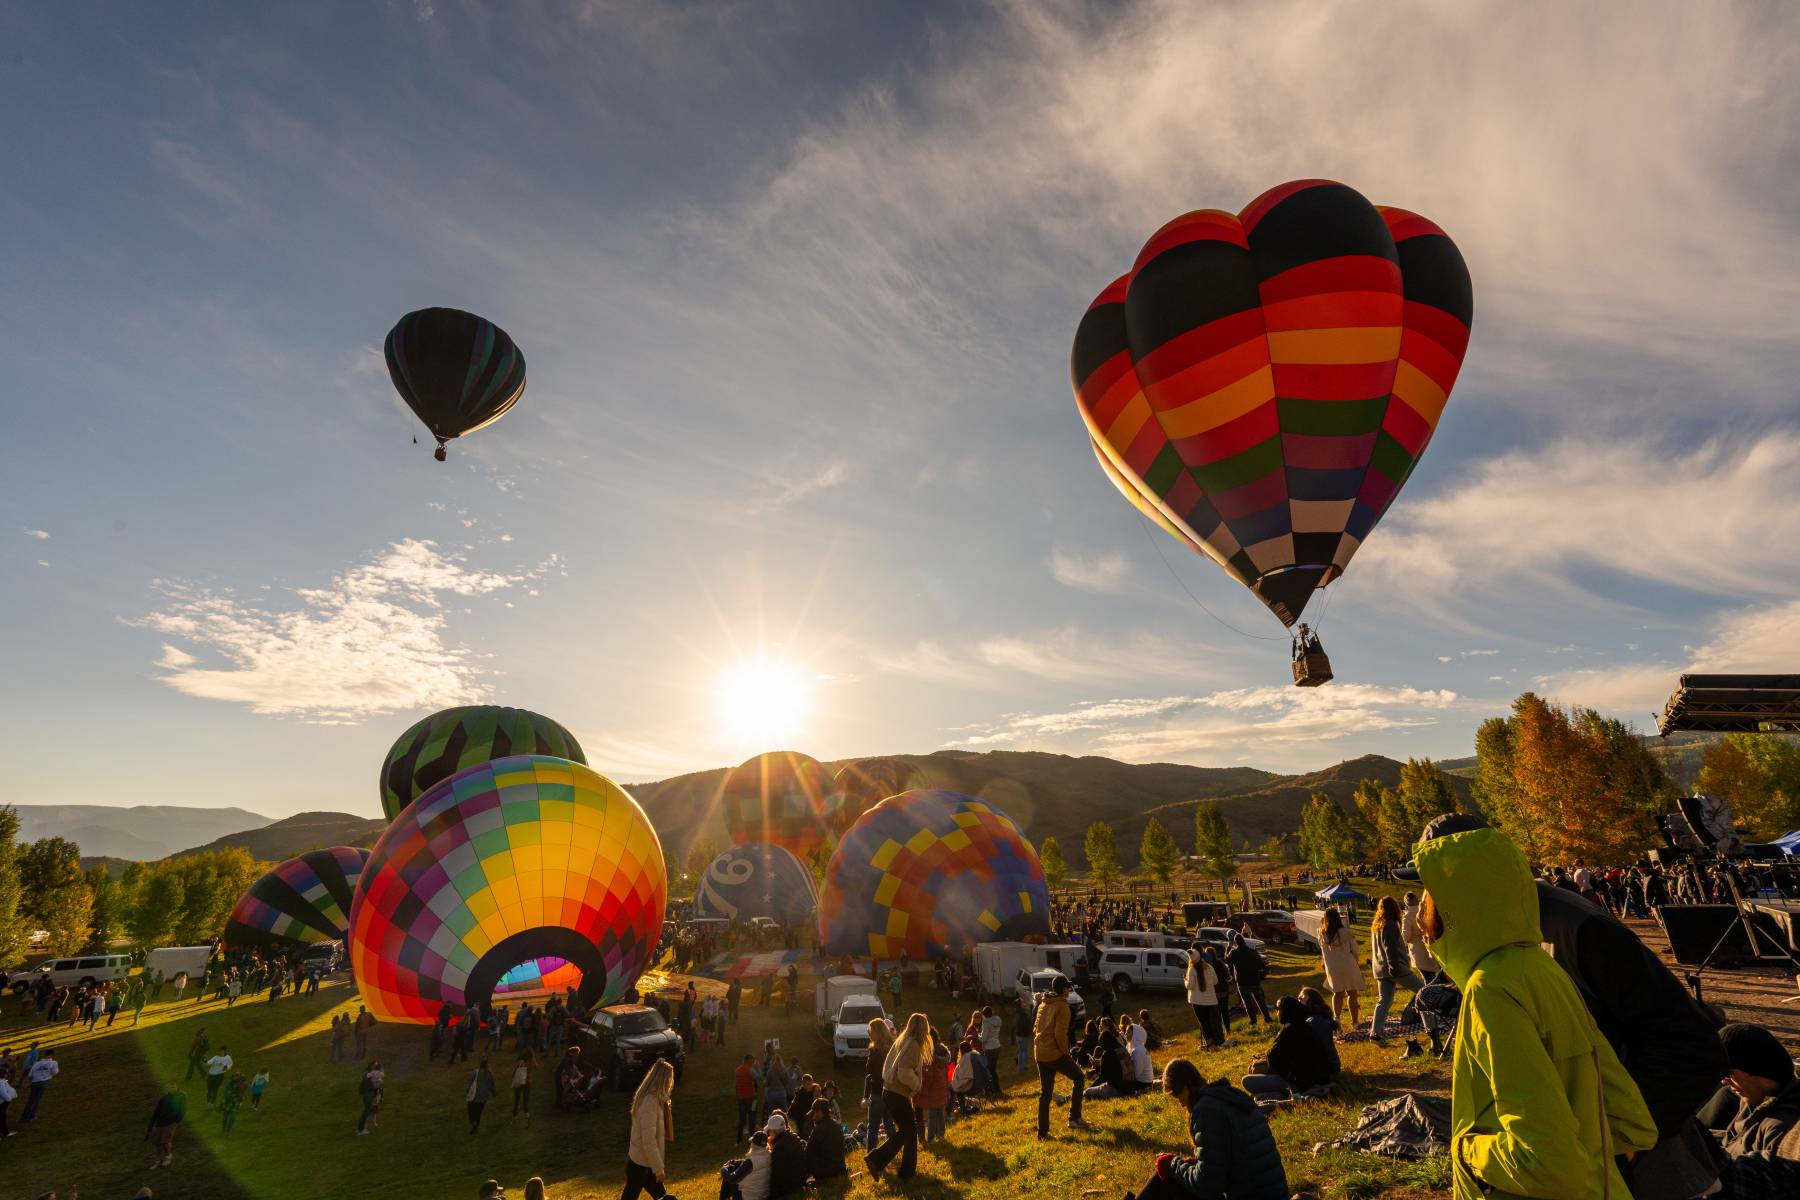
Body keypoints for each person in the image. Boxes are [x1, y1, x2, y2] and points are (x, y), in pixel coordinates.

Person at [1414, 821, 1656, 1200]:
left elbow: (1548, 1165)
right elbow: (1633, 1123)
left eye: (1429, 895)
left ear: (1454, 904)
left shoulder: (1491, 988)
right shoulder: (1542, 966)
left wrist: (1467, 1150)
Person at [1124, 1058, 1287, 1200]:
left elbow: (1207, 1186)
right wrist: (1194, 1164)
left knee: (1165, 1180)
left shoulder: (1205, 1111)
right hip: (1273, 1193)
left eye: (1177, 1095)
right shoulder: (1229, 1096)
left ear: (1186, 1087)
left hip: (1250, 1196)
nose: (1180, 1103)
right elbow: (1230, 1160)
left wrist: (1174, 1165)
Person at [1702, 1023, 1800, 1159]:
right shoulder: (1754, 1097)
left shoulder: (1780, 1129)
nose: (1724, 1081)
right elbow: (1732, 1141)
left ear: (1760, 1072)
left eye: (1729, 1074)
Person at [865, 1012, 929, 1180]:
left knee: (908, 1132)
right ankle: (880, 1160)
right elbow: (904, 1072)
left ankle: (902, 1170)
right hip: (897, 1093)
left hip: (890, 1092)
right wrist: (917, 1084)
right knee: (909, 1131)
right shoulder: (913, 1045)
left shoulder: (902, 1041)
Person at [1241, 997, 1335, 1101]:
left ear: (1284, 1011)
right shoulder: (1307, 1027)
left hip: (1300, 1083)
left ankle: (1284, 1093)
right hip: (1319, 1078)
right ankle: (1273, 1094)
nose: (1276, 1012)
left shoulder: (1288, 1033)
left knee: (1247, 1080)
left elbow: (1274, 1060)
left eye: (1277, 1009)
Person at [1033, 974, 1088, 1139]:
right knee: (1079, 1077)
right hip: (1054, 1052)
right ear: (1064, 989)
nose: (1070, 990)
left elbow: (1035, 1028)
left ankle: (1043, 1133)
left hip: (1040, 1052)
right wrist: (1065, 1052)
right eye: (1068, 988)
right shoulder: (1063, 1007)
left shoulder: (1043, 1003)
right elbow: (1060, 1033)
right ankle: (1074, 1118)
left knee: (1046, 1092)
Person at [1368, 896, 1425, 1044]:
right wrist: (1395, 967)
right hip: (1395, 967)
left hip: (1380, 969)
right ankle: (1431, 1026)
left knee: (1384, 1001)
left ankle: (1376, 1032)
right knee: (1422, 992)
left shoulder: (1376, 926)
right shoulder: (1391, 924)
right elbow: (1390, 948)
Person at [622, 1057, 675, 1200]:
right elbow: (649, 1141)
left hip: (643, 1162)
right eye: (669, 1079)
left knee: (662, 1196)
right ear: (663, 1080)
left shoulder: (655, 1099)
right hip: (641, 1165)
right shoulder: (650, 1103)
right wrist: (658, 1169)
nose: (670, 1083)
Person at [1318, 907, 1363, 1027]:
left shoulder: (1321, 934)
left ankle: (1336, 1019)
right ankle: (1355, 1022)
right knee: (1352, 994)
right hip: (1347, 964)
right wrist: (1355, 960)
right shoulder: (1346, 932)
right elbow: (1355, 950)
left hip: (1332, 966)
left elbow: (1323, 952)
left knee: (1337, 994)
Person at [862, 1019, 895, 1151]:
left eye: (870, 1030)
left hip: (877, 1092)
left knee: (873, 1128)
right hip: (891, 1091)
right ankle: (894, 1150)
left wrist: (865, 1094)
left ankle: (871, 1155)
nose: (868, 1033)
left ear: (876, 1032)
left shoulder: (875, 1050)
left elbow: (869, 1072)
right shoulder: (892, 1047)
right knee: (889, 1124)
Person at [1226, 935, 1271, 1028]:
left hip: (1242, 982)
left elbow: (1227, 959)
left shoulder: (1234, 952)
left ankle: (1253, 1021)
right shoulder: (1252, 952)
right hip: (1254, 980)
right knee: (1260, 1001)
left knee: (1248, 1003)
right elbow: (1262, 966)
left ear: (1236, 943)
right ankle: (1267, 1018)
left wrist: (1228, 947)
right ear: (1244, 941)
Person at [1183, 952, 1223, 1049]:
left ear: (1191, 960)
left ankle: (1209, 1043)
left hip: (1197, 1001)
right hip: (1211, 1000)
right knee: (1213, 1021)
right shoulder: (1209, 967)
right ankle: (1218, 1040)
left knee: (1204, 1022)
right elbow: (1215, 981)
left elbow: (1190, 986)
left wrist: (1185, 980)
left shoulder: (1191, 969)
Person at [802, 1095, 847, 1182]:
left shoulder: (819, 1129)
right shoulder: (837, 1125)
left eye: (813, 1112)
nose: (812, 1116)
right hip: (840, 1169)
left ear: (820, 1112)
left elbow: (808, 1153)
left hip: (826, 1174)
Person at [766, 1111, 807, 1199]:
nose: (768, 1133)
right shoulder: (794, 1137)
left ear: (775, 1131)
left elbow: (778, 1175)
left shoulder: (779, 1147)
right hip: (800, 1182)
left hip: (790, 1188)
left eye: (769, 1131)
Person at [145, 1086, 186, 1168]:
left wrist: (177, 1120)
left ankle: (168, 1156)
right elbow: (156, 1112)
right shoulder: (164, 1098)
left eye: (174, 1086)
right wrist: (150, 1128)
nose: (172, 1088)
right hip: (159, 1123)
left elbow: (183, 1109)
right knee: (157, 1143)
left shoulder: (181, 1096)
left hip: (170, 1123)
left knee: (165, 1141)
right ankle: (158, 1160)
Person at [1400, 891, 1439, 978]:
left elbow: (1406, 937)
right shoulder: (1426, 910)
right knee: (1436, 975)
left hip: (1418, 950)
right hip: (1431, 945)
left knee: (1428, 977)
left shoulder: (1407, 917)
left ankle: (1430, 991)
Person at [22, 1049, 57, 1122]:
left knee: (31, 1100)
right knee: (37, 1100)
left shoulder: (37, 1063)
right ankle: (32, 1116)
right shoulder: (53, 1063)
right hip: (44, 1082)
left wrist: (31, 1081)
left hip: (34, 1082)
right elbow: (54, 1072)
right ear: (51, 1055)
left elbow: (30, 1075)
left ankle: (25, 1116)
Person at [466, 1057, 497, 1134]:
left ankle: (473, 1123)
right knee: (478, 1112)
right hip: (483, 1098)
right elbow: (492, 1085)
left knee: (471, 1111)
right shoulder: (490, 1074)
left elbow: (470, 1083)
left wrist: (468, 1091)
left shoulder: (475, 1072)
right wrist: (494, 1093)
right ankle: (476, 1125)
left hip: (474, 1096)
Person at [734, 1053, 760, 1140]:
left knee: (742, 1116)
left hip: (741, 1098)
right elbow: (758, 1077)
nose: (753, 1061)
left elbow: (736, 1084)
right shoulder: (750, 1069)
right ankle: (752, 1135)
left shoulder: (737, 1070)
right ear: (749, 1060)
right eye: (752, 1060)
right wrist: (757, 1068)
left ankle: (740, 1136)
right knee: (752, 1115)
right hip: (751, 1097)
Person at [355, 1061, 383, 1135]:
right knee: (366, 1112)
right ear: (371, 1066)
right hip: (368, 1095)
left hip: (370, 1095)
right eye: (375, 1065)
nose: (377, 1066)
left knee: (367, 1111)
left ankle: (360, 1128)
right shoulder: (368, 1075)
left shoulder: (372, 1075)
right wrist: (376, 1085)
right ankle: (360, 1129)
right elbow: (369, 1086)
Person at [219, 1069, 247, 1134]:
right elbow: (226, 1092)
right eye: (235, 1076)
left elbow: (243, 1095)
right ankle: (224, 1130)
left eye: (237, 1076)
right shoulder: (231, 1083)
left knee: (231, 1117)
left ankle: (227, 1131)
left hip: (233, 1102)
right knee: (226, 1117)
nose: (236, 1078)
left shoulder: (242, 1084)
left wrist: (240, 1099)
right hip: (229, 1102)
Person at [511, 1051, 532, 1121]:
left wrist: (514, 1078)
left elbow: (514, 1072)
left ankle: (514, 1115)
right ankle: (526, 1114)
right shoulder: (529, 1063)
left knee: (517, 1099)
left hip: (518, 1083)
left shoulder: (520, 1062)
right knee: (525, 1099)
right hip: (526, 1083)